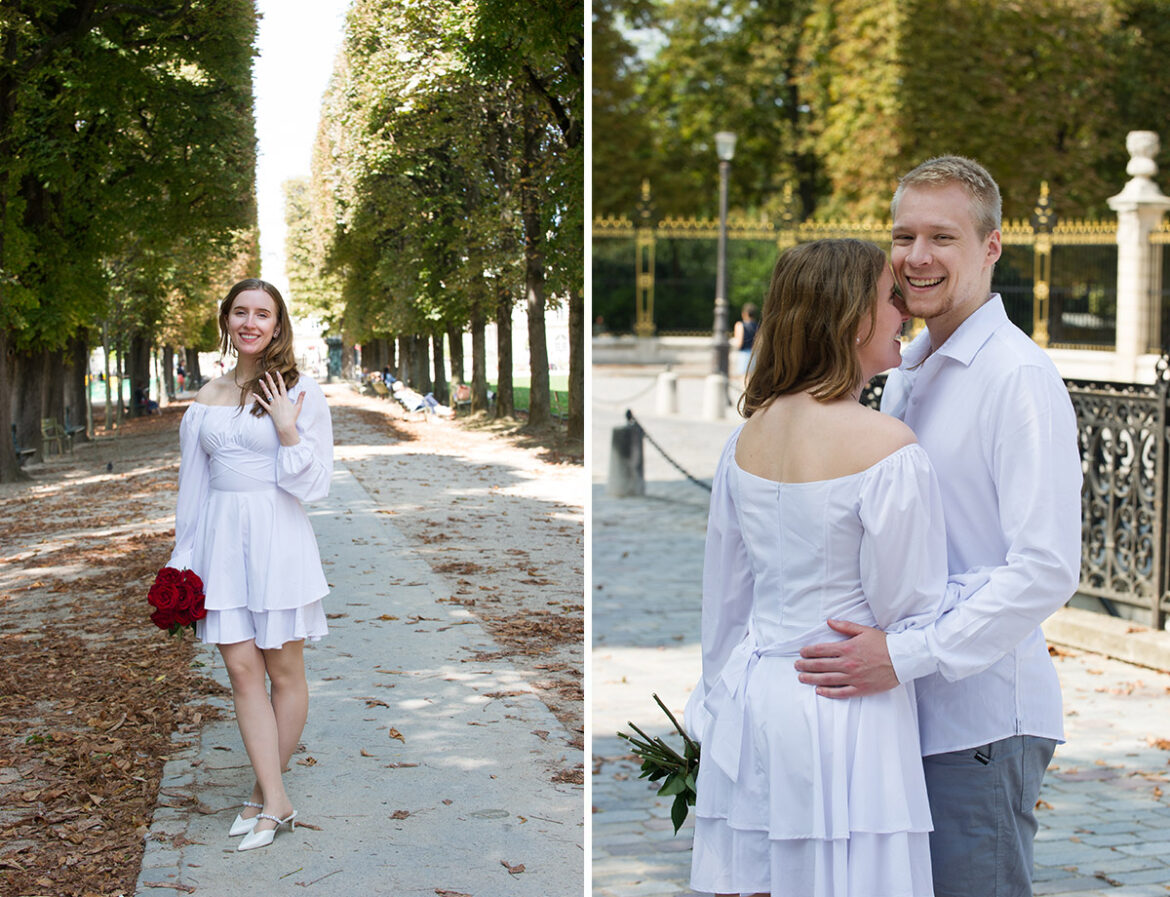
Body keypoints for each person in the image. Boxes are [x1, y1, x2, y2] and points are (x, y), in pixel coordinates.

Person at [794, 156, 1082, 897]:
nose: (917, 256)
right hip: (896, 713)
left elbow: (1047, 568)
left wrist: (907, 653)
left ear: (991, 248)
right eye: (904, 236)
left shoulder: (1017, 377)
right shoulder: (906, 368)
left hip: (975, 722)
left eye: (942, 238)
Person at [685, 239, 980, 897]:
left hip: (757, 701)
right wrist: (989, 587)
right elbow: (909, 604)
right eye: (890, 298)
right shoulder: (888, 447)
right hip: (849, 701)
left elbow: (724, 601)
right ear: (851, 319)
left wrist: (714, 709)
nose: (904, 311)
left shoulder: (745, 438)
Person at [166, 278, 334, 853]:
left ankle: (266, 797)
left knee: (283, 674)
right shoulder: (207, 396)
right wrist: (182, 562)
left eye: (263, 314)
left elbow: (315, 485)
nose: (251, 323)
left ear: (277, 325)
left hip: (278, 539)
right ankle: (275, 798)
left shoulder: (300, 389)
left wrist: (286, 427)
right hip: (219, 545)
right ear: (227, 321)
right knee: (241, 672)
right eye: (241, 312)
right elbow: (192, 489)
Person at [729, 303, 759, 378]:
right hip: (755, 354)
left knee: (744, 378)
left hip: (744, 354)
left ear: (744, 314)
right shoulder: (758, 326)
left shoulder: (740, 325)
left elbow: (739, 342)